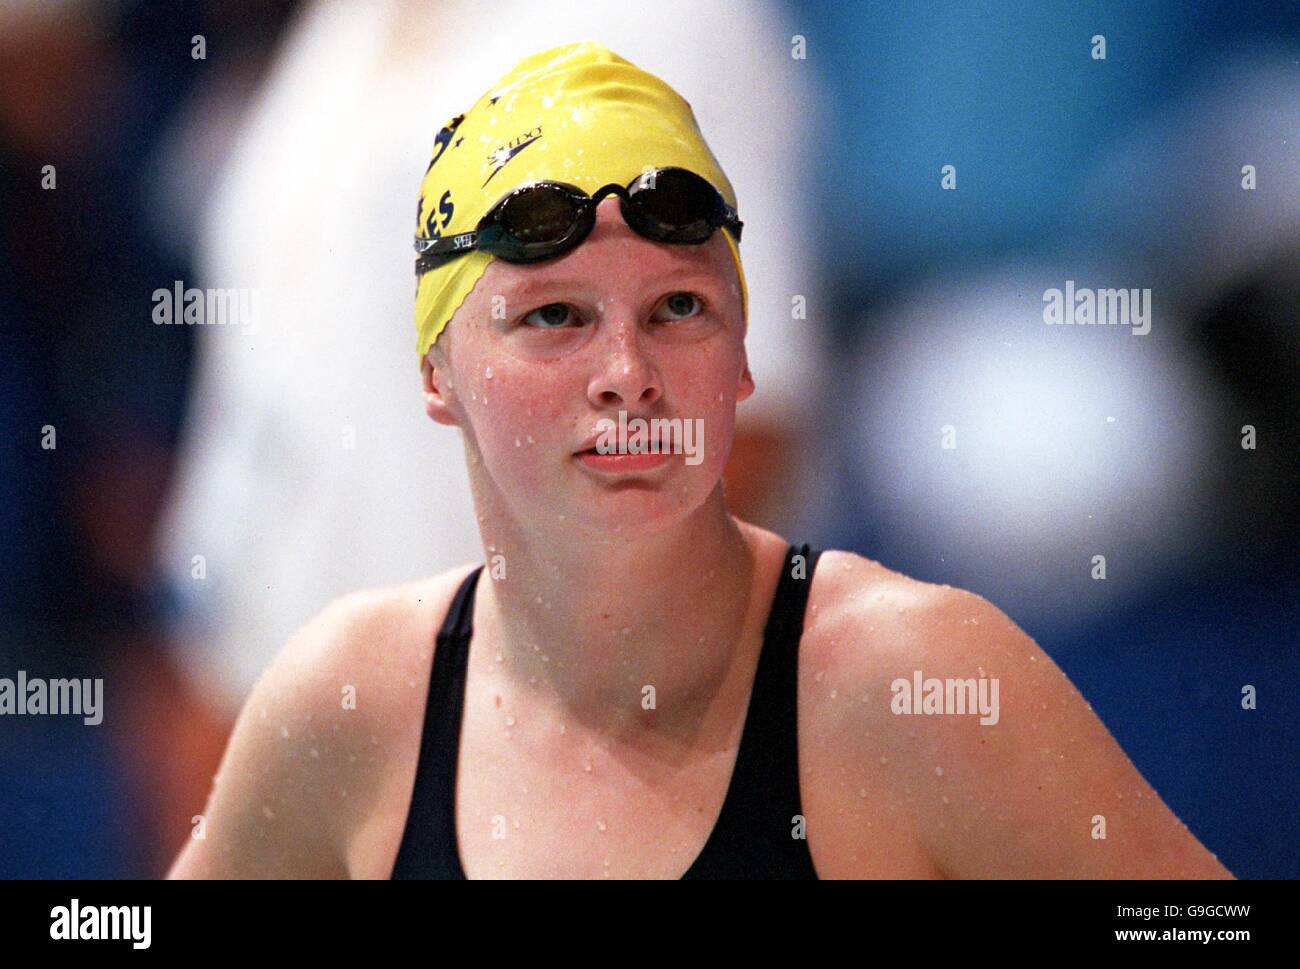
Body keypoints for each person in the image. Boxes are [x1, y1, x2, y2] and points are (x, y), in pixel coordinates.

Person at [168, 42, 1233, 880]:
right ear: (436, 375)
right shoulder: (355, 700)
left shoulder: (913, 683)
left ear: (744, 360)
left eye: (679, 307)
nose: (627, 375)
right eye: (553, 316)